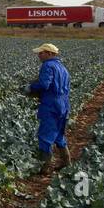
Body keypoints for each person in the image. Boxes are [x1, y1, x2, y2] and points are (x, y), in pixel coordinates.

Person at [25, 43, 71, 172]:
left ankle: (44, 167)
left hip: (51, 105)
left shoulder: (48, 65)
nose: (39, 55)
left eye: (41, 53)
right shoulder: (63, 68)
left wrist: (30, 87)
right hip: (64, 104)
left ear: (50, 54)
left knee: (44, 136)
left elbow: (44, 85)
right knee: (59, 135)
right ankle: (67, 162)